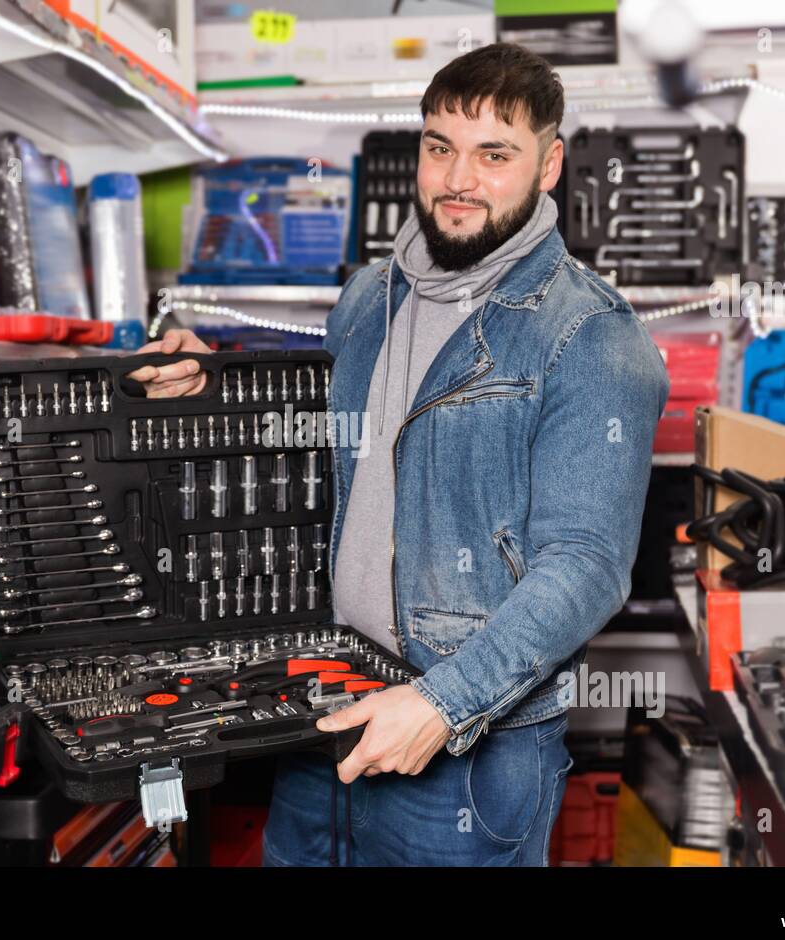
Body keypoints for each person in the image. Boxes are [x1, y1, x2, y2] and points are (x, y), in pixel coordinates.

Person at [128, 42, 669, 866]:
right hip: (329, 708)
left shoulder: (592, 337)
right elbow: (342, 440)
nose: (459, 179)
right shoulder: (368, 300)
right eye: (439, 146)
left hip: (469, 747)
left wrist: (442, 704)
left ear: (549, 165)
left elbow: (587, 565)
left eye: (495, 155)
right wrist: (214, 380)